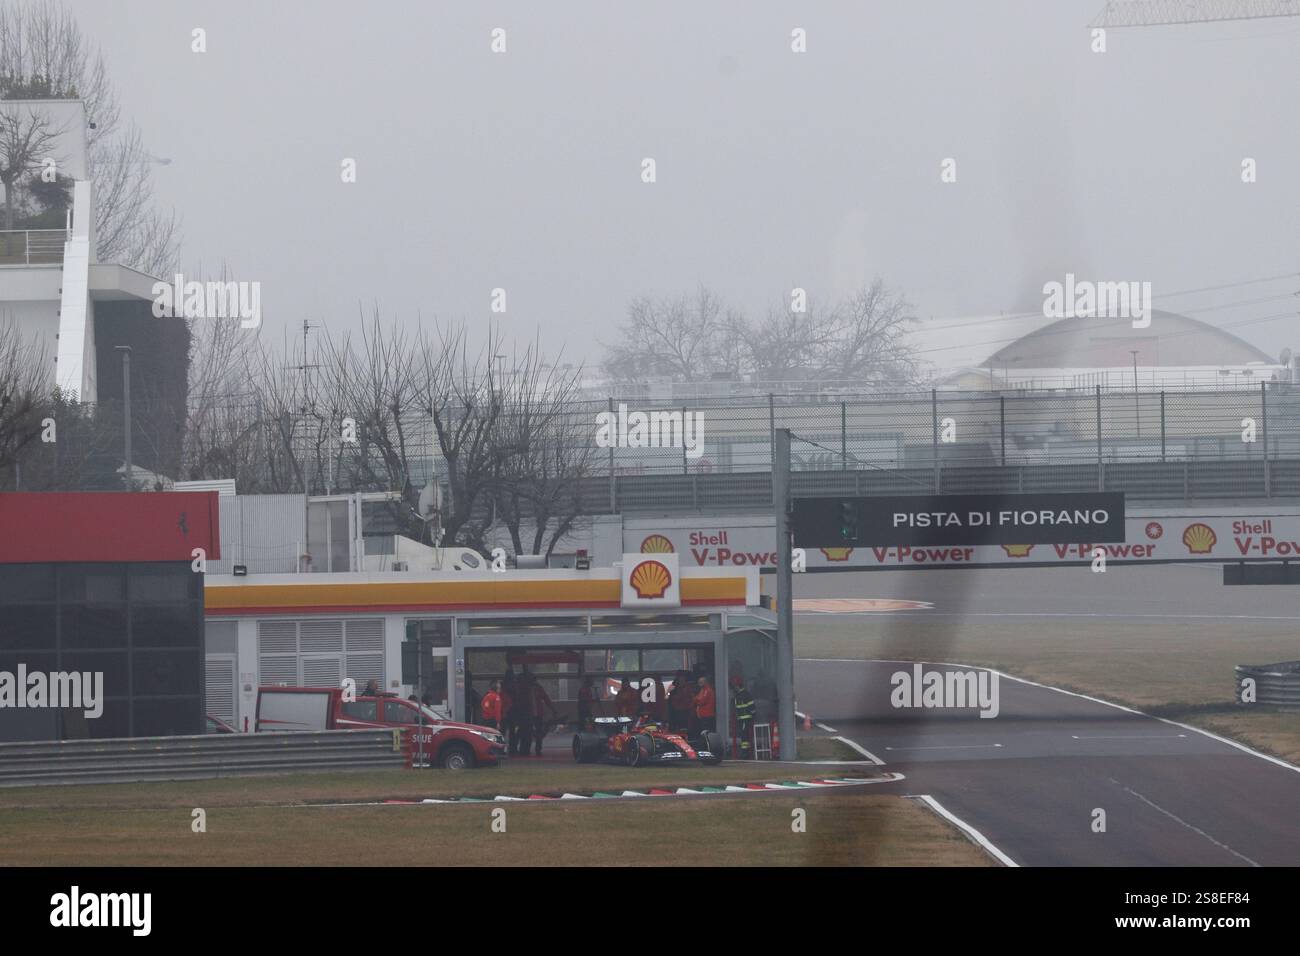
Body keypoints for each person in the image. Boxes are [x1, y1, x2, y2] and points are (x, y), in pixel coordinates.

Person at [531, 677, 559, 756]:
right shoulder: (538, 688)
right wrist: (553, 710)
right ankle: (538, 749)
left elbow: (546, 699)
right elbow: (546, 699)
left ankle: (528, 749)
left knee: (531, 731)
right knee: (538, 731)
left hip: (531, 714)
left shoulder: (526, 689)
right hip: (536, 714)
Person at [731, 676, 756, 759]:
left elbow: (752, 706)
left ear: (738, 686)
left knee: (744, 735)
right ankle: (745, 752)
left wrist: (752, 716)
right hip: (741, 718)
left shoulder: (745, 694)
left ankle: (745, 753)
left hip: (745, 719)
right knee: (743, 735)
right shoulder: (738, 695)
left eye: (735, 686)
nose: (734, 688)